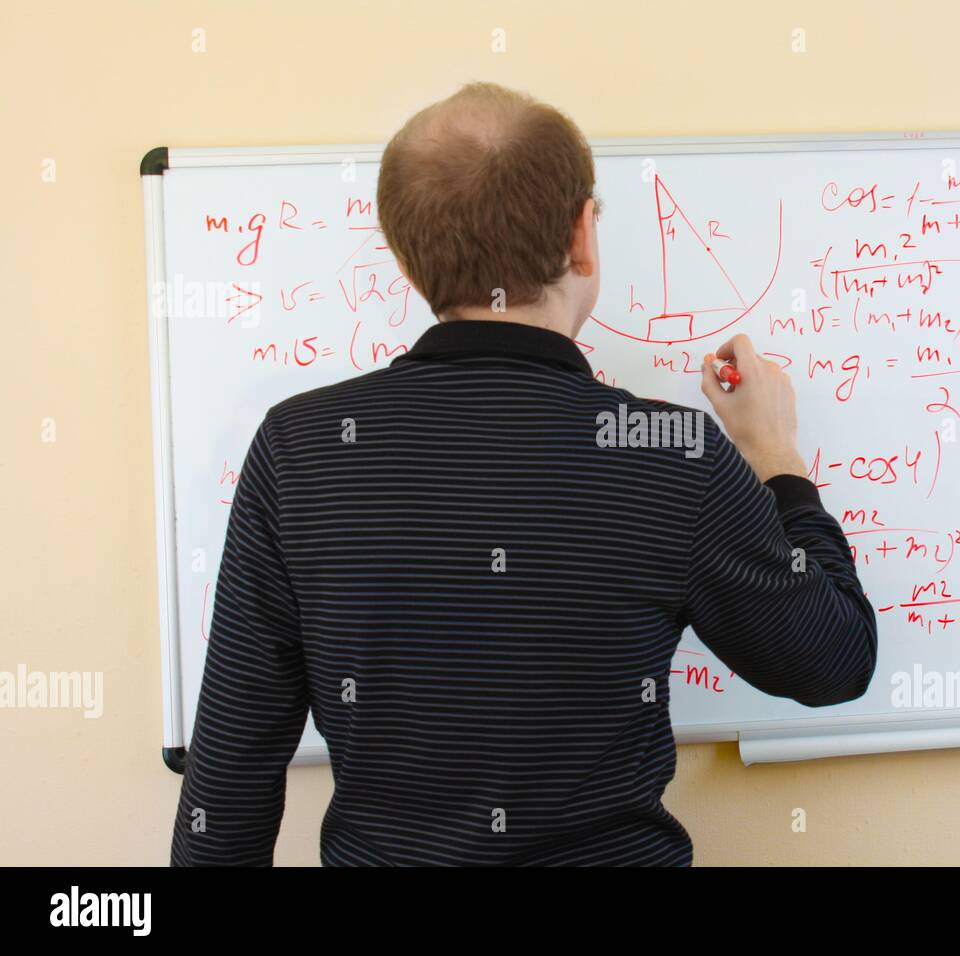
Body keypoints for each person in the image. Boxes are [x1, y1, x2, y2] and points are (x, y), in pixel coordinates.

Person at [171, 81, 876, 866]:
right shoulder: (666, 452)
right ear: (582, 237)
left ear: (408, 258)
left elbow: (228, 785)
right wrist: (778, 463)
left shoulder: (299, 450)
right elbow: (834, 661)